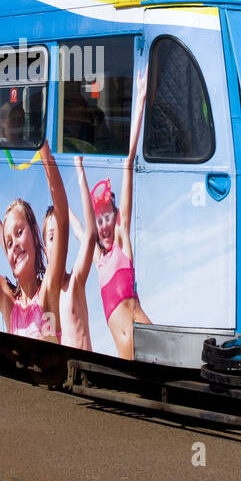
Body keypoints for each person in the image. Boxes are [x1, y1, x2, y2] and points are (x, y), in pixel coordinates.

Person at [0, 154, 98, 350]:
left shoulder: (73, 283)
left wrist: (78, 174)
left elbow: (88, 235)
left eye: (57, 236)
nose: (56, 241)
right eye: (50, 238)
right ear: (43, 245)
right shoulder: (45, 290)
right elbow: (15, 254)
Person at [0, 139, 69, 343]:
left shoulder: (47, 293)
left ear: (35, 234)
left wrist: (46, 157)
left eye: (20, 232)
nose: (15, 246)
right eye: (9, 243)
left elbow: (62, 220)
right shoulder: (9, 302)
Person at [85, 71, 151, 359]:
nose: (104, 225)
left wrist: (141, 101)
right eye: (98, 220)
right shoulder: (99, 260)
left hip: (144, 332)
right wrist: (76, 171)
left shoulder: (123, 243)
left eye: (107, 217)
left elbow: (128, 164)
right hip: (125, 345)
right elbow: (78, 224)